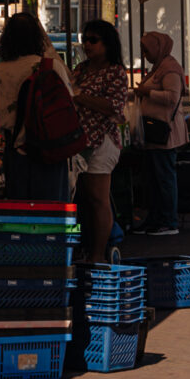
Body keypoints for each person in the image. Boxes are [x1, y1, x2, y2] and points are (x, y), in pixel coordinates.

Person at [0, 10, 74, 201]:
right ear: (37, 38)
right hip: (51, 151)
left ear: (6, 39)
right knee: (51, 212)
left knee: (20, 212)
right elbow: (70, 105)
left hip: (17, 154)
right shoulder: (52, 67)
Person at [72, 20, 129, 263]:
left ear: (107, 43)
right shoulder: (81, 69)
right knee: (83, 199)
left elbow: (113, 107)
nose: (87, 45)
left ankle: (97, 255)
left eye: (93, 40)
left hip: (102, 141)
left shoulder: (115, 71)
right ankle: (86, 249)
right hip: (77, 142)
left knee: (98, 199)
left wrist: (81, 97)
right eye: (85, 39)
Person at [134, 30, 188, 236]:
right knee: (154, 180)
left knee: (164, 178)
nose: (145, 54)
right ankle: (155, 219)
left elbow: (172, 98)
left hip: (165, 134)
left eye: (147, 50)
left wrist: (146, 92)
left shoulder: (170, 69)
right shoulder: (158, 68)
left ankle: (168, 221)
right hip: (154, 134)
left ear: (158, 48)